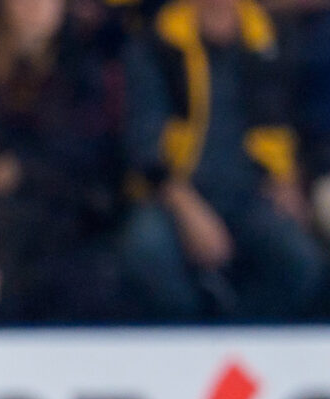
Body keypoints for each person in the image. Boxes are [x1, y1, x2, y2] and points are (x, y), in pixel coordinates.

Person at [116, 0, 323, 319]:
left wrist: (289, 179)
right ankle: (190, 340)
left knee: (300, 260)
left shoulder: (268, 38)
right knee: (146, 247)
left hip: (250, 196)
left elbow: (291, 120)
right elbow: (143, 143)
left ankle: (245, 338)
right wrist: (186, 207)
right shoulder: (158, 42)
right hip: (176, 195)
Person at [0, 0, 136, 322]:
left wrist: (23, 171)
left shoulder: (84, 66)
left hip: (66, 218)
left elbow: (89, 157)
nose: (34, 7)